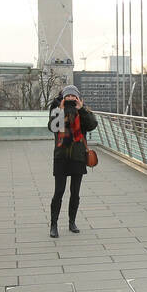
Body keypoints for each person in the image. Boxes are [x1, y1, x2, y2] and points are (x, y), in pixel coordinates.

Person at [47, 85, 96, 237]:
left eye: (73, 96)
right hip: (61, 156)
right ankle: (54, 225)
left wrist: (81, 109)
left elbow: (92, 125)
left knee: (75, 192)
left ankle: (72, 222)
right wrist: (61, 112)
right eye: (67, 96)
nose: (70, 99)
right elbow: (53, 128)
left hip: (78, 157)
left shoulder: (84, 110)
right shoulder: (56, 110)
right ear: (63, 97)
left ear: (77, 98)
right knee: (59, 192)